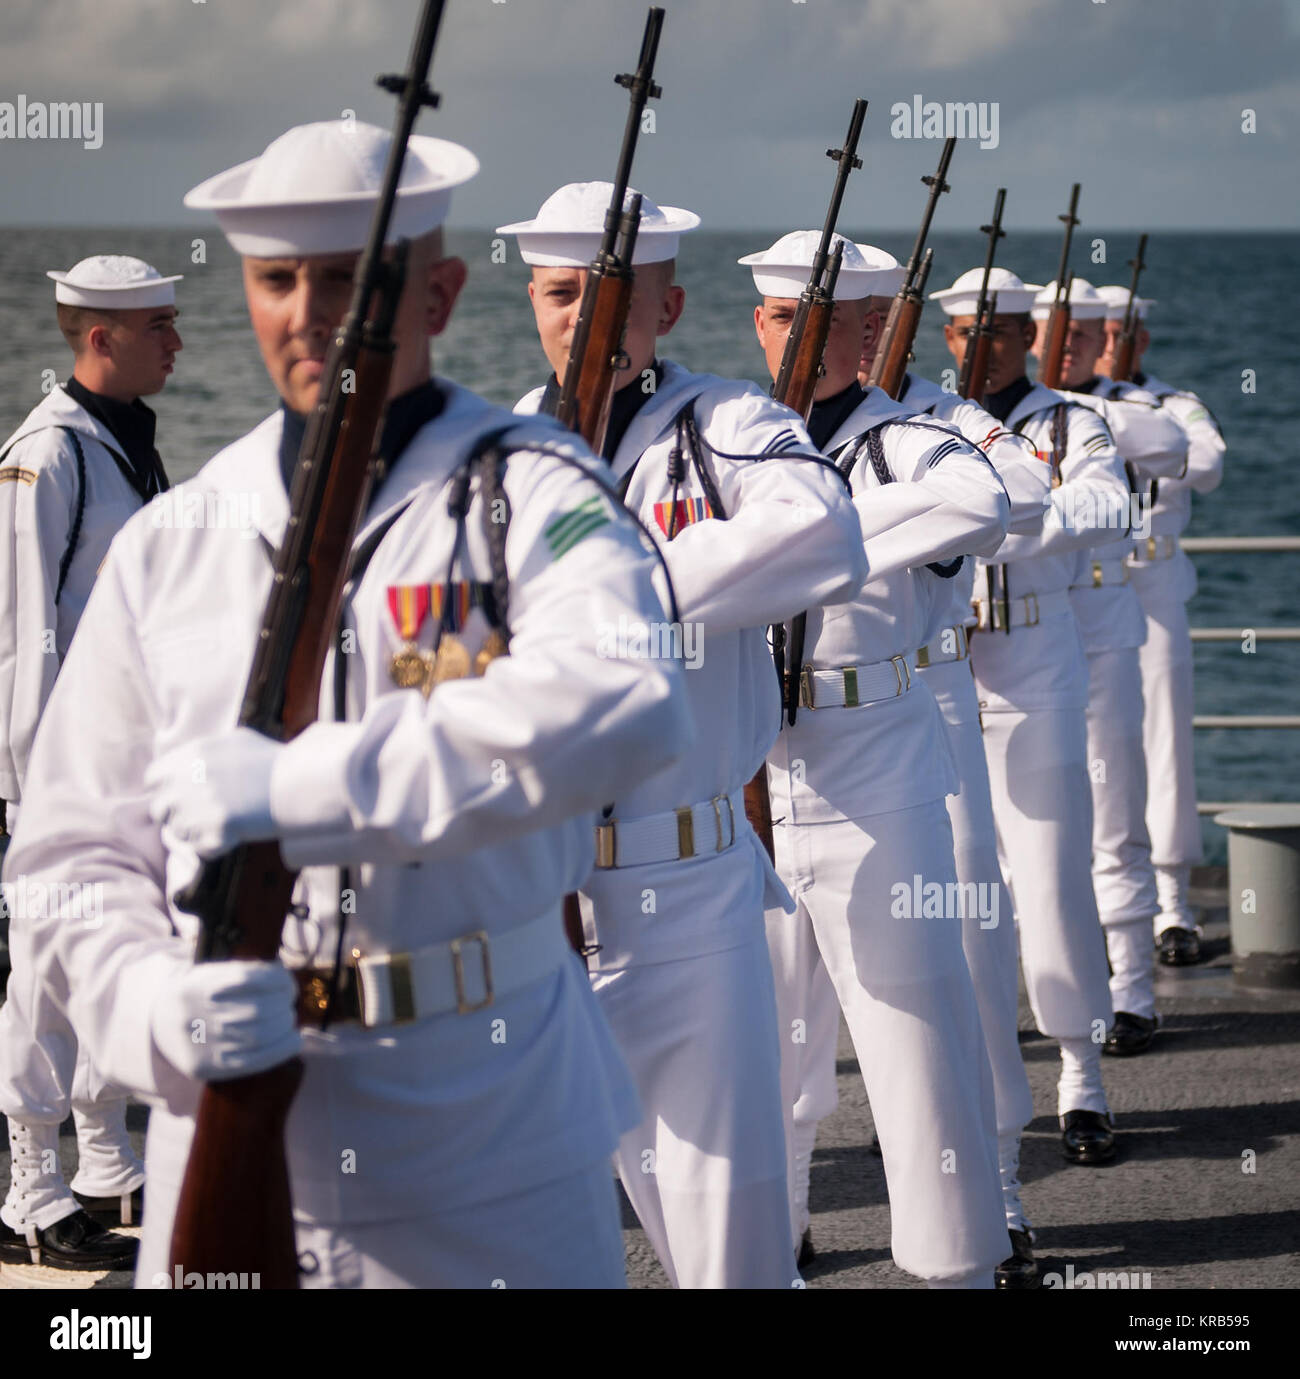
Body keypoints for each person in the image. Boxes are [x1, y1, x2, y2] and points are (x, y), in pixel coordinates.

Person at [5, 119, 695, 1289]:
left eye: (350, 279)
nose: (312, 312)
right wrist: (147, 1009)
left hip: (488, 1122)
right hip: (224, 1114)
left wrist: (307, 788)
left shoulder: (536, 489)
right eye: (278, 280)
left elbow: (625, 695)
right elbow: (71, 851)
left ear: (436, 292)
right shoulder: (175, 541)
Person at [503, 187, 869, 1288]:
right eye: (559, 293)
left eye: (606, 295)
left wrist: (625, 583)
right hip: (536, 889)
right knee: (539, 1224)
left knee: (730, 1234)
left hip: (689, 878)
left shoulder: (729, 428)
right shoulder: (502, 450)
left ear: (663, 303)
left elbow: (824, 533)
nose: (581, 317)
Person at [742, 229, 1010, 1289]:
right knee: (765, 1043)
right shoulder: (737, 440)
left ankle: (958, 1268)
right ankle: (778, 1241)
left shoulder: (909, 438)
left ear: (867, 330)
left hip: (873, 770)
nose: (795, 339)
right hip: (757, 769)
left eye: (823, 321)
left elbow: (986, 504)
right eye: (776, 317)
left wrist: (819, 531)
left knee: (912, 1045)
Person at [852, 244, 1053, 1286]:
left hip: (930, 697)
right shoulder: (764, 424)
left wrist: (850, 533)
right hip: (793, 723)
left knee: (969, 944)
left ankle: (1000, 1190)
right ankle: (788, 1212)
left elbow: (1022, 494)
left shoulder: (943, 421)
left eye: (868, 311)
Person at [0, 255, 180, 1270]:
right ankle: (29, 1186)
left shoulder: (127, 441)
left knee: (111, 952)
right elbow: (20, 631)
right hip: (51, 769)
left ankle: (105, 1163)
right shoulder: (48, 452)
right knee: (40, 975)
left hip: (123, 757)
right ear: (100, 337)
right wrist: (26, 789)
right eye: (161, 325)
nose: (180, 342)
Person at [933, 266, 1130, 1168]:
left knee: (1050, 876)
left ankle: (1081, 1071)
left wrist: (1008, 521)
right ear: (946, 338)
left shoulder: (1069, 421)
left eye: (1002, 331)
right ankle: (985, 1085)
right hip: (944, 675)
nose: (984, 346)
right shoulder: (928, 424)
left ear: (1030, 336)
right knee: (966, 893)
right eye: (968, 331)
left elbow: (1107, 502)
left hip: (1035, 667)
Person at [1030, 278, 1188, 1054]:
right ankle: (1049, 989)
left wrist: (1076, 405)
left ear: (1106, 339)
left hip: (1108, 624)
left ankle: (1130, 986)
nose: (1070, 346)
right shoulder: (1008, 416)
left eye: (1085, 334)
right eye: (1056, 333)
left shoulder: (1117, 408)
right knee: (1031, 825)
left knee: (1117, 809)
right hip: (1034, 633)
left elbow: (1178, 449)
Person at [1097, 284, 1226, 967]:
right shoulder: (1069, 408)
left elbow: (1206, 462)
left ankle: (1173, 903)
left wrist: (1135, 426)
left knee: (1165, 740)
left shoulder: (1171, 405)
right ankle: (1104, 898)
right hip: (1095, 588)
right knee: (1097, 749)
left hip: (1155, 589)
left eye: (1116, 331)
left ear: (1139, 339)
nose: (1106, 341)